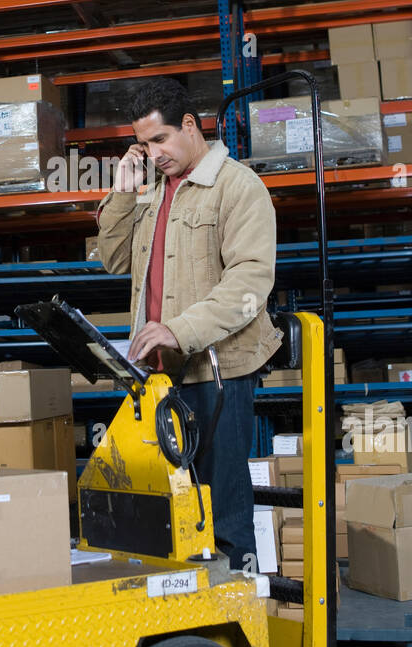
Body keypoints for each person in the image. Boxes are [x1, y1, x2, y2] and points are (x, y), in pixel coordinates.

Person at [96, 77, 282, 569]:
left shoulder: (237, 186)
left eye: (160, 140)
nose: (154, 154)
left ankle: (241, 612)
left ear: (189, 125)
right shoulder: (151, 192)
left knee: (223, 506)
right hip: (159, 375)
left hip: (217, 370)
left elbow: (251, 282)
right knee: (174, 507)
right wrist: (122, 192)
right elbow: (113, 260)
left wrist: (180, 330)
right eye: (144, 145)